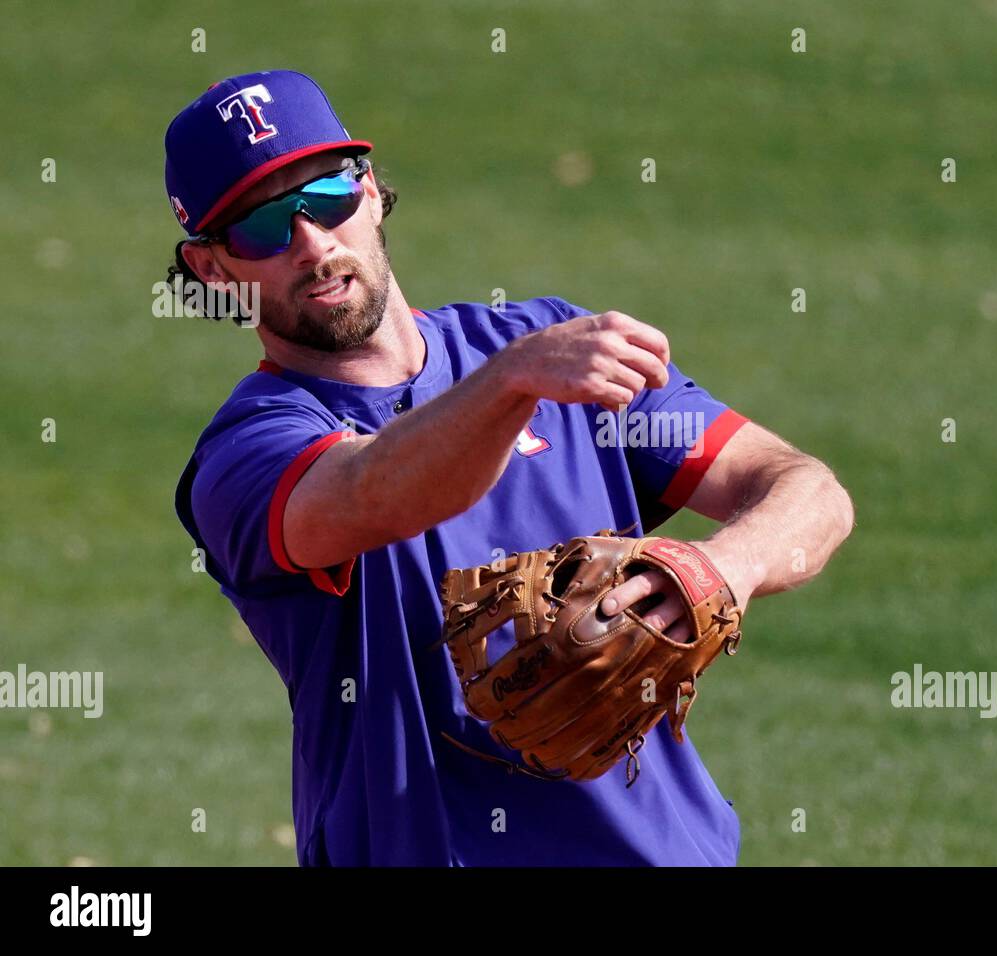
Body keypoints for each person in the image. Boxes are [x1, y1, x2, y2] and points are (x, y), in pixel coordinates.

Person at [167, 70, 854, 866]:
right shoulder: (247, 455)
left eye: (328, 194)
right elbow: (379, 490)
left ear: (373, 194)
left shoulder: (550, 348)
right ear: (213, 268)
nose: (315, 245)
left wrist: (715, 570)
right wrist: (512, 382)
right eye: (263, 227)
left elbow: (807, 490)